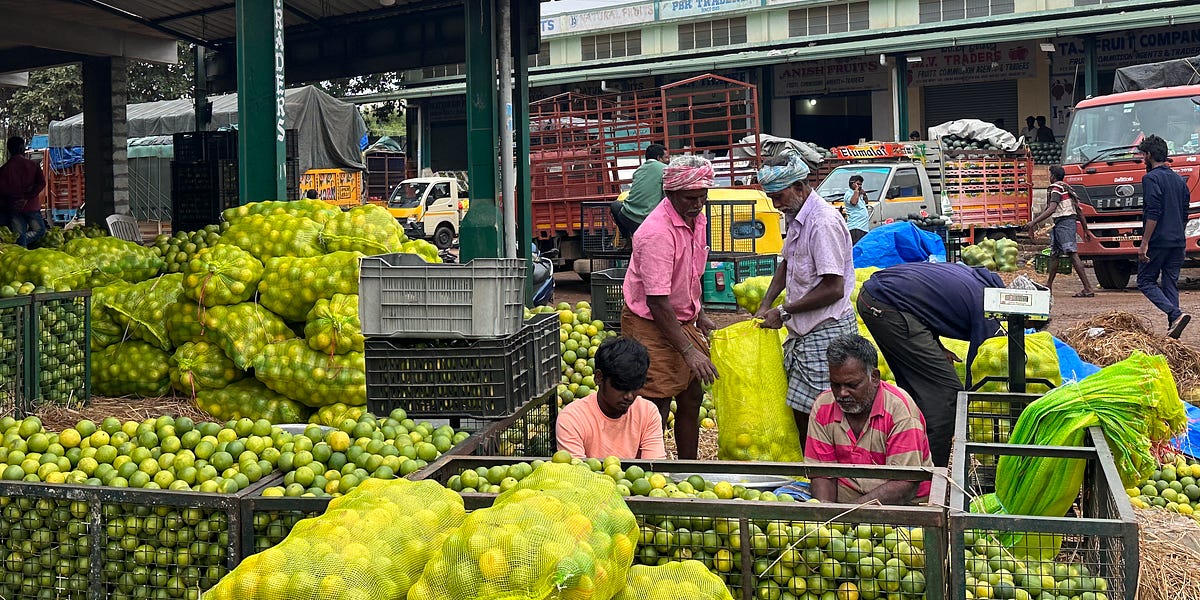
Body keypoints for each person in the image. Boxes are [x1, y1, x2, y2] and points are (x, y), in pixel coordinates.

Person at [856, 262, 1005, 467]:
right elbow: (979, 363)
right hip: (886, 304)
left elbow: (927, 302)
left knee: (917, 390)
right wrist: (972, 402)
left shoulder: (978, 281)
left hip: (877, 296)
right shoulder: (990, 308)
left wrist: (937, 345)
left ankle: (904, 456)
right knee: (947, 393)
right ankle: (930, 473)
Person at [754, 154, 857, 448]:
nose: (776, 204)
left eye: (779, 196)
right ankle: (809, 464)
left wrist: (783, 311)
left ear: (799, 186)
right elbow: (787, 262)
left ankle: (827, 466)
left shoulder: (822, 222)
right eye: (771, 198)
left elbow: (834, 288)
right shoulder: (797, 217)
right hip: (804, 333)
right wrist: (766, 303)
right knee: (803, 410)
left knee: (825, 414)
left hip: (826, 331)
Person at [620, 155, 718, 460]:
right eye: (690, 198)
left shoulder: (696, 219)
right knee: (656, 402)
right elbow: (657, 301)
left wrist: (699, 313)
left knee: (692, 395)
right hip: (650, 322)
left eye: (702, 197)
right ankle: (650, 471)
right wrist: (688, 351)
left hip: (681, 319)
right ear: (670, 193)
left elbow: (690, 273)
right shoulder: (656, 233)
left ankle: (689, 467)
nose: (698, 204)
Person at [806, 334, 934, 505]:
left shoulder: (899, 410)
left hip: (904, 505)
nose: (842, 393)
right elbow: (822, 473)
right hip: (845, 503)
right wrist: (825, 512)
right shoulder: (823, 406)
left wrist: (849, 514)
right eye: (835, 385)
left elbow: (904, 484)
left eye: (852, 385)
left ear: (874, 377)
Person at [556, 337, 667, 460]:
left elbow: (655, 467)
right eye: (621, 387)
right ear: (599, 378)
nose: (629, 396)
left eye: (635, 387)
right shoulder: (572, 418)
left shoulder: (648, 412)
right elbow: (576, 470)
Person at [1136, 134, 1191, 338]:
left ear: (1149, 155)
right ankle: (1174, 326)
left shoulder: (1150, 178)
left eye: (1144, 155)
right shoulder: (1179, 180)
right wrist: (1178, 235)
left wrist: (1144, 243)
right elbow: (1185, 213)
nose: (1143, 159)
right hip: (1178, 241)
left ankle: (1174, 314)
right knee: (1170, 282)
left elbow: (1153, 211)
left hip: (1158, 240)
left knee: (1145, 281)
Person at [1025, 165, 1095, 296]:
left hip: (1064, 223)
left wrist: (1033, 223)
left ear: (1052, 176)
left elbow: (1051, 208)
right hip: (1064, 222)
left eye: (1049, 174)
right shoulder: (1067, 188)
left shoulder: (1056, 188)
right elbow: (1078, 210)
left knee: (1072, 253)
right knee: (1055, 254)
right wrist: (1086, 229)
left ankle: (1088, 288)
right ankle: (1048, 285)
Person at [611, 143, 669, 244]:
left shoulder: (638, 171)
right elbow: (668, 198)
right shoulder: (665, 169)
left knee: (615, 205)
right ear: (659, 158)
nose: (668, 160)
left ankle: (627, 240)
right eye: (666, 157)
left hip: (627, 217)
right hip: (646, 221)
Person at [0, 136, 46, 248]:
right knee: (39, 231)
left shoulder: (4, 169)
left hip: (13, 208)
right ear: (21, 148)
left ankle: (19, 245)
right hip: (31, 207)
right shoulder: (32, 165)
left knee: (19, 235)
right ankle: (19, 244)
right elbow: (41, 183)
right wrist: (27, 197)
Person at [843, 174, 870, 244]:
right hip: (856, 227)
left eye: (861, 184)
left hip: (863, 227)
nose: (859, 186)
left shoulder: (858, 195)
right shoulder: (849, 193)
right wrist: (856, 191)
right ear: (852, 183)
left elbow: (866, 205)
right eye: (858, 184)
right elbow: (853, 202)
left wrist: (864, 195)